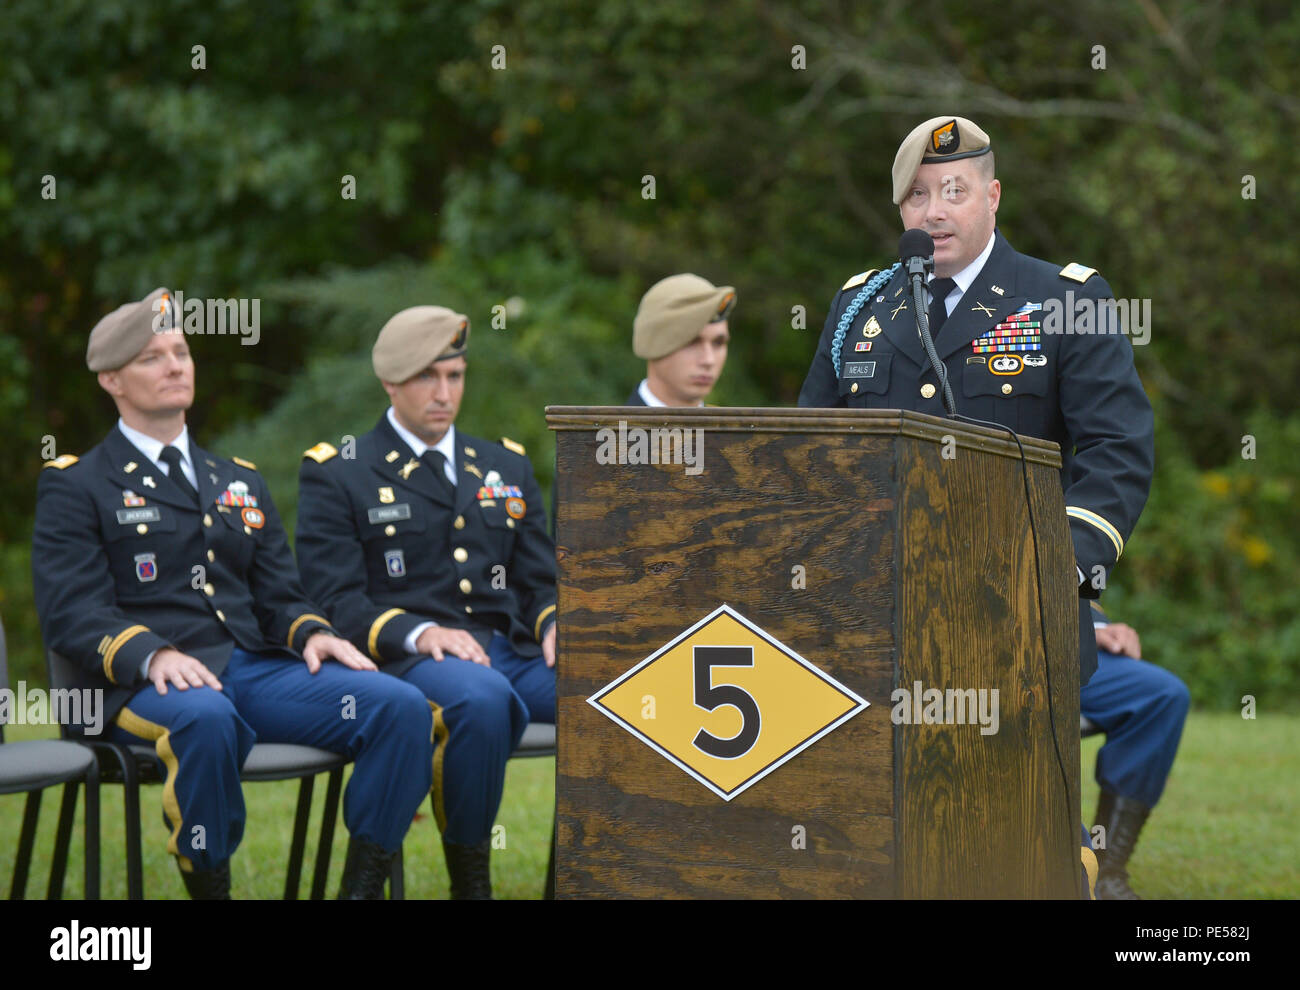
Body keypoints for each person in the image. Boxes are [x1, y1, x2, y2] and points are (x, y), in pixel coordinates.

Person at [797, 115, 1155, 897]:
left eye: (953, 191)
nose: (934, 211)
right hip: (876, 621)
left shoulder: (1067, 299)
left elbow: (1115, 451)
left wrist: (1061, 568)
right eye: (917, 196)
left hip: (1017, 621)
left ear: (992, 196)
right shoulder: (860, 307)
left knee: (1013, 853)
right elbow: (815, 458)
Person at [32, 288, 433, 899]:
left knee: (398, 706)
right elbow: (73, 612)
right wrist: (154, 654)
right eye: (152, 358)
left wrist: (315, 633)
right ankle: (212, 891)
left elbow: (280, 595)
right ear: (111, 379)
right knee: (205, 717)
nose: (175, 366)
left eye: (182, 352)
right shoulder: (78, 484)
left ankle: (358, 889)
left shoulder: (237, 481)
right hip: (138, 688)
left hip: (248, 670)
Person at [295, 305, 557, 899]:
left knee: (619, 691)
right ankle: (470, 883)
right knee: (483, 700)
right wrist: (417, 633)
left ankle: (607, 869)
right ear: (390, 382)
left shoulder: (504, 465)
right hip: (408, 657)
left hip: (510, 648)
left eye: (456, 376)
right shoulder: (341, 473)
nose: (444, 393)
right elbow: (332, 597)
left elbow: (540, 576)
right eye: (426, 377)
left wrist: (553, 620)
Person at [1083, 603, 1189, 899]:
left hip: (1062, 645)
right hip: (974, 646)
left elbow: (1075, 570)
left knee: (1162, 695)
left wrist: (1095, 627)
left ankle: (1104, 872)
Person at [627, 274, 734, 406]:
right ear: (652, 345)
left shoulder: (730, 426)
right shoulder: (615, 426)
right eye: (691, 342)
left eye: (718, 343)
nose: (708, 360)